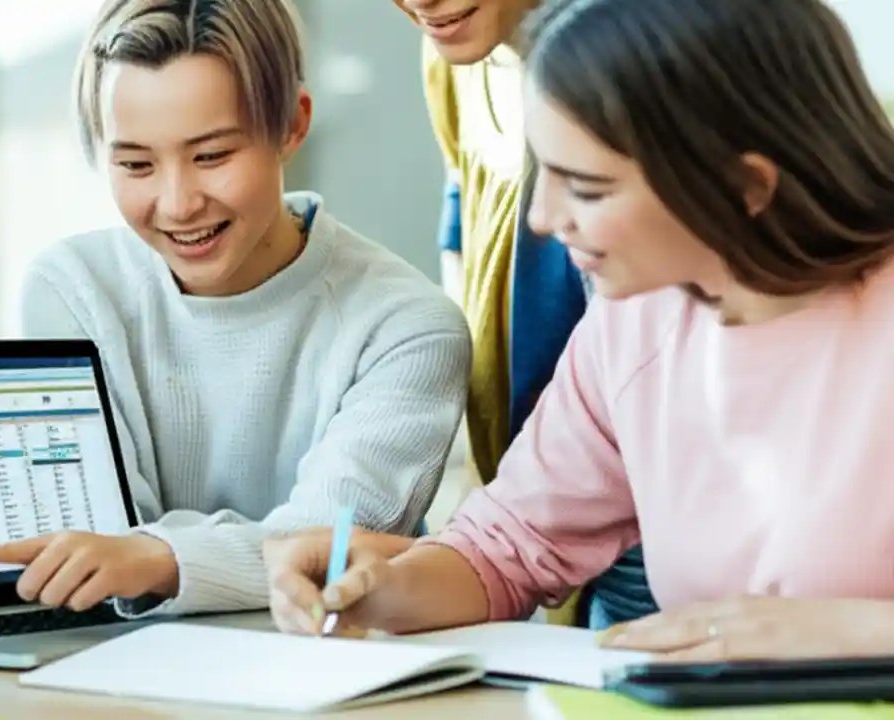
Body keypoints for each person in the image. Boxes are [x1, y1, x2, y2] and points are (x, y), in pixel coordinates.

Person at [266, 0, 894, 662]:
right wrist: (377, 586)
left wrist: (860, 634)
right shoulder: (636, 318)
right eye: (545, 174)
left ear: (746, 185)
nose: (541, 219)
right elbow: (506, 548)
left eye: (587, 190)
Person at [0, 0, 471, 619]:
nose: (178, 203)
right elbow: (88, 552)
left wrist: (159, 559)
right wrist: (175, 555)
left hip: (334, 671)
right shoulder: (72, 288)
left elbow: (322, 551)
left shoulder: (408, 328)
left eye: (212, 156)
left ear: (292, 125)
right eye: (136, 164)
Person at [395, 0, 656, 627]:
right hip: (547, 500)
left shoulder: (645, 59)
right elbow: (463, 232)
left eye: (585, 185)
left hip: (647, 514)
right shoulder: (457, 53)